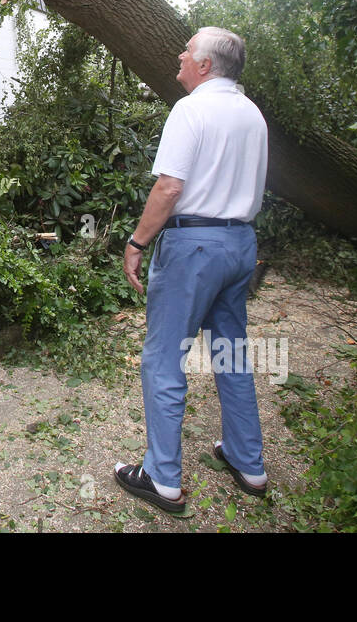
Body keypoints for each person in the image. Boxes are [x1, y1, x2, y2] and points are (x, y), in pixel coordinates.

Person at [114, 26, 270, 513]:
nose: (179, 56)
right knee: (230, 352)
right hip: (240, 243)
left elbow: (168, 188)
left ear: (204, 65)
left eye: (186, 51)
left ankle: (162, 478)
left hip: (193, 246)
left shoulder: (192, 109)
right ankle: (249, 462)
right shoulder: (253, 115)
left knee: (164, 358)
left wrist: (138, 241)